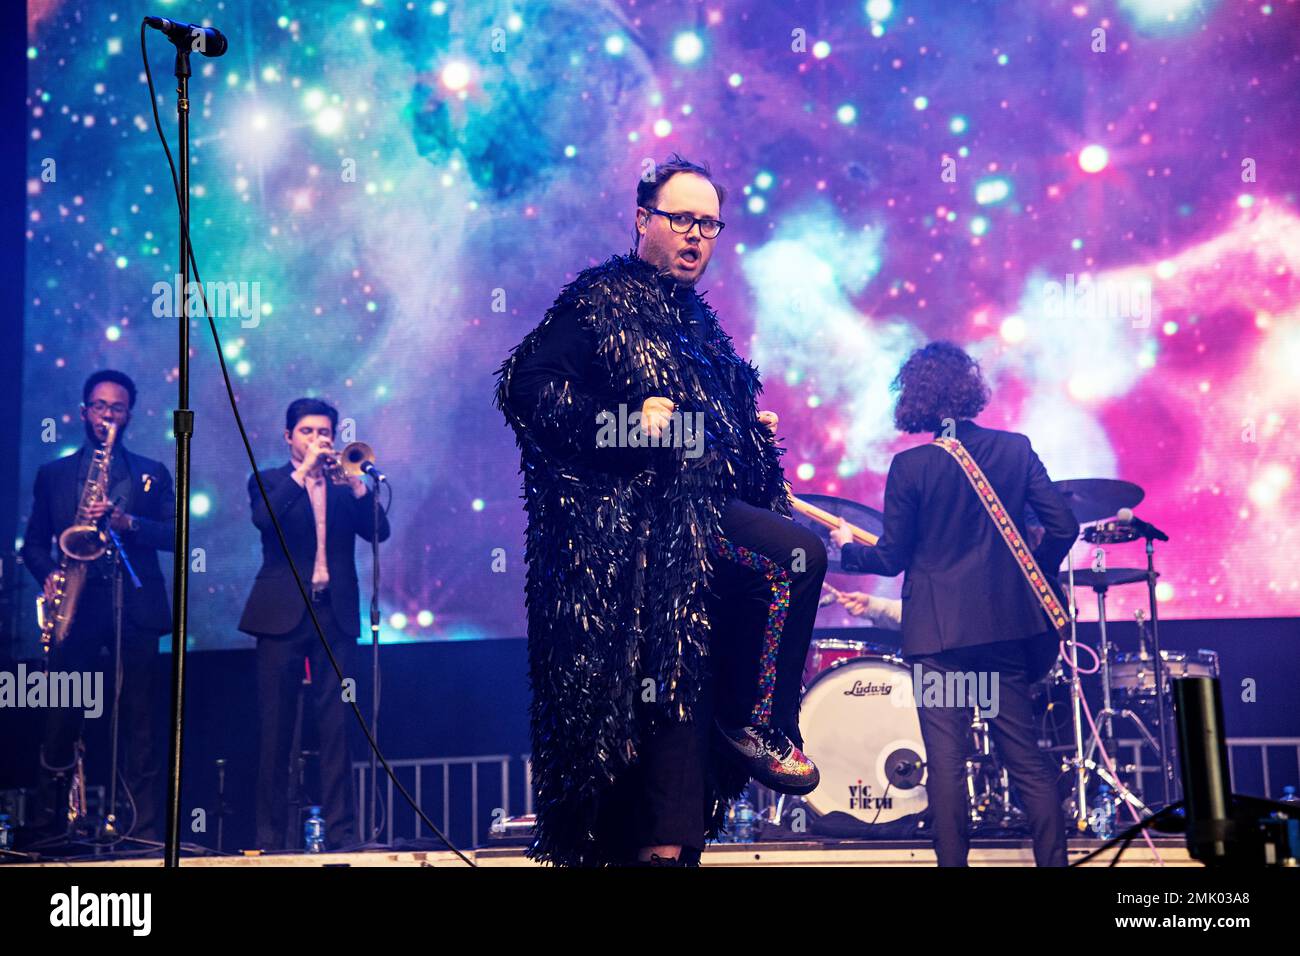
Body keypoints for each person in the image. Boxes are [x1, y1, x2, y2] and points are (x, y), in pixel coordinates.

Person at [495, 154, 828, 867]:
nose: (696, 235)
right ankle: (755, 723)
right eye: (682, 218)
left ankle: (742, 724)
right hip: (633, 563)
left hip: (688, 597)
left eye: (709, 223)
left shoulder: (701, 329)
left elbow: (709, 442)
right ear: (643, 219)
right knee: (796, 556)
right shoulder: (599, 300)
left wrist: (752, 437)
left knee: (675, 818)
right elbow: (529, 391)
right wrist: (623, 419)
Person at [830, 341, 1078, 866]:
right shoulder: (1016, 449)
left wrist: (849, 551)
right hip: (1003, 632)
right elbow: (1064, 526)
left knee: (945, 766)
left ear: (914, 398)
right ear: (970, 390)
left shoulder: (911, 466)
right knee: (1027, 762)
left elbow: (893, 558)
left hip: (938, 640)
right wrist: (1036, 573)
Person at [22, 369, 174, 841]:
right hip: (76, 602)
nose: (108, 414)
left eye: (117, 407)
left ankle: (142, 830)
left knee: (141, 721)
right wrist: (48, 574)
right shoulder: (54, 474)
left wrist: (126, 522)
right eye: (100, 406)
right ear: (84, 410)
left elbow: (174, 534)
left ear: (129, 414)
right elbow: (32, 545)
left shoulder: (151, 473)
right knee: (63, 713)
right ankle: (51, 826)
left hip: (133, 603)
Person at [238, 397, 390, 851]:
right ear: (289, 437)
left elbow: (378, 533)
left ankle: (343, 835)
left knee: (337, 726)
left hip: (334, 614)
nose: (319, 440)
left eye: (325, 432)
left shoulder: (346, 486)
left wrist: (361, 488)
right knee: (276, 728)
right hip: (281, 615)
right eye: (308, 432)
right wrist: (303, 473)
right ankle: (270, 837)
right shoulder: (267, 480)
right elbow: (265, 520)